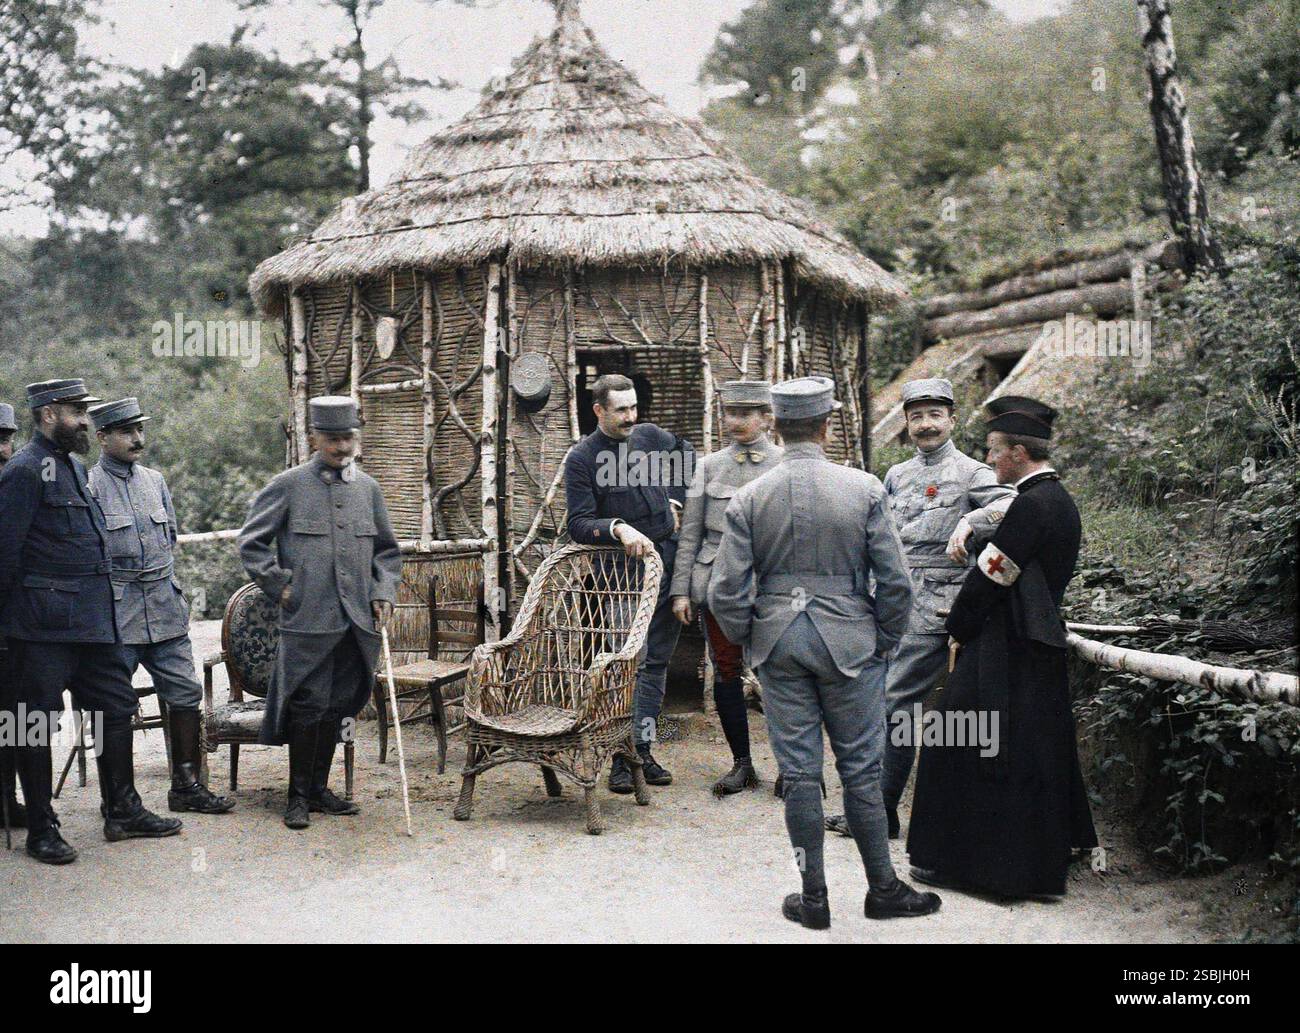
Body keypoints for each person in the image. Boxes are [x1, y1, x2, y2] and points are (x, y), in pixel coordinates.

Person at [708, 376, 941, 927]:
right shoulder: (863, 489)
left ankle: (813, 899)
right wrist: (881, 641)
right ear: (825, 425)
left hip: (779, 645)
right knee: (861, 771)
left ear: (778, 427)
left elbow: (725, 591)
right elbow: (897, 585)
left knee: (801, 775)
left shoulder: (748, 497)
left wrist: (752, 640)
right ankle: (882, 889)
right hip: (852, 645)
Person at [907, 395, 1099, 898]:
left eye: (994, 450)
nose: (989, 460)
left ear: (1017, 451)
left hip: (1005, 646)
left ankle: (958, 864)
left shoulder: (1031, 506)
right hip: (1033, 645)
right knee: (1025, 755)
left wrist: (961, 625)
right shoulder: (1059, 501)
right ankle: (1025, 867)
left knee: (959, 739)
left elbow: (993, 577)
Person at [0, 379, 182, 864]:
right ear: (47, 415)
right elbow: (4, 555)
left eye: (85, 411)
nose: (85, 420)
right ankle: (41, 827)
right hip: (41, 628)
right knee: (33, 724)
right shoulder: (23, 470)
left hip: (93, 623)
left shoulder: (73, 467)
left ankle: (121, 808)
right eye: (76, 412)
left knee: (114, 707)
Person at [825, 378, 1013, 840]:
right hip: (890, 603)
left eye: (934, 415)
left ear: (952, 419)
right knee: (885, 704)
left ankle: (878, 812)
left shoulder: (974, 473)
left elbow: (1012, 505)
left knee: (894, 701)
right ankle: (881, 810)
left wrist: (969, 520)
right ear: (907, 424)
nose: (925, 425)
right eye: (916, 417)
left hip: (938, 607)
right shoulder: (897, 475)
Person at [238, 396, 402, 830]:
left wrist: (383, 591)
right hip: (308, 620)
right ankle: (296, 796)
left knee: (339, 705)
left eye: (348, 438)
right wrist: (281, 586)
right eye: (332, 439)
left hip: (356, 624)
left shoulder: (368, 489)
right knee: (308, 705)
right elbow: (251, 543)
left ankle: (319, 790)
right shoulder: (288, 485)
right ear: (313, 437)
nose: (342, 447)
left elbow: (386, 551)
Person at [87, 398, 235, 815]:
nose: (137, 439)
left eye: (139, 430)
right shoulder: (89, 489)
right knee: (112, 707)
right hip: (118, 614)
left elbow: (167, 540)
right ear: (101, 438)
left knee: (185, 694)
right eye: (125, 432)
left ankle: (186, 787)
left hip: (165, 608)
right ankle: (119, 799)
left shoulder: (155, 481)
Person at [564, 373, 695, 795]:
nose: (631, 417)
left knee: (656, 664)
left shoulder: (650, 437)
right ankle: (621, 761)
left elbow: (686, 452)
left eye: (634, 407)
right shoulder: (582, 458)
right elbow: (578, 523)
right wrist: (618, 528)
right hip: (620, 579)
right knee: (626, 666)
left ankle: (642, 749)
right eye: (621, 409)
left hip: (666, 566)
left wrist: (674, 497)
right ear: (598, 410)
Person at [670, 380, 780, 795]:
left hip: (771, 586)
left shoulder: (785, 464)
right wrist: (682, 590)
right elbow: (691, 534)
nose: (735, 422)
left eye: (746, 414)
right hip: (718, 585)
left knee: (779, 675)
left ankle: (792, 767)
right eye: (730, 413)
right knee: (727, 671)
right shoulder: (708, 466)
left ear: (767, 418)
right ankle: (742, 764)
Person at [0, 401, 25, 831]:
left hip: (13, 626)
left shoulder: (17, 486)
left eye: (5, 440)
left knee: (12, 718)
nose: (2, 450)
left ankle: (6, 800)